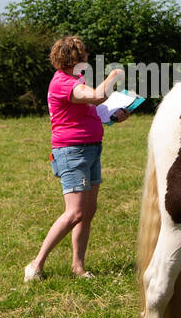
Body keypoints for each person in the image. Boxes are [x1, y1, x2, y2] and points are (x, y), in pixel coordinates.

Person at [25, 37, 127, 281]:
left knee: (87, 211)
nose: (88, 59)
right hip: (73, 152)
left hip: (91, 149)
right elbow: (96, 96)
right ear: (74, 58)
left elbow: (94, 109)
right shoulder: (62, 83)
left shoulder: (75, 81)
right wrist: (114, 74)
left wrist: (114, 116)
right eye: (85, 55)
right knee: (74, 212)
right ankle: (36, 265)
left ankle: (78, 267)